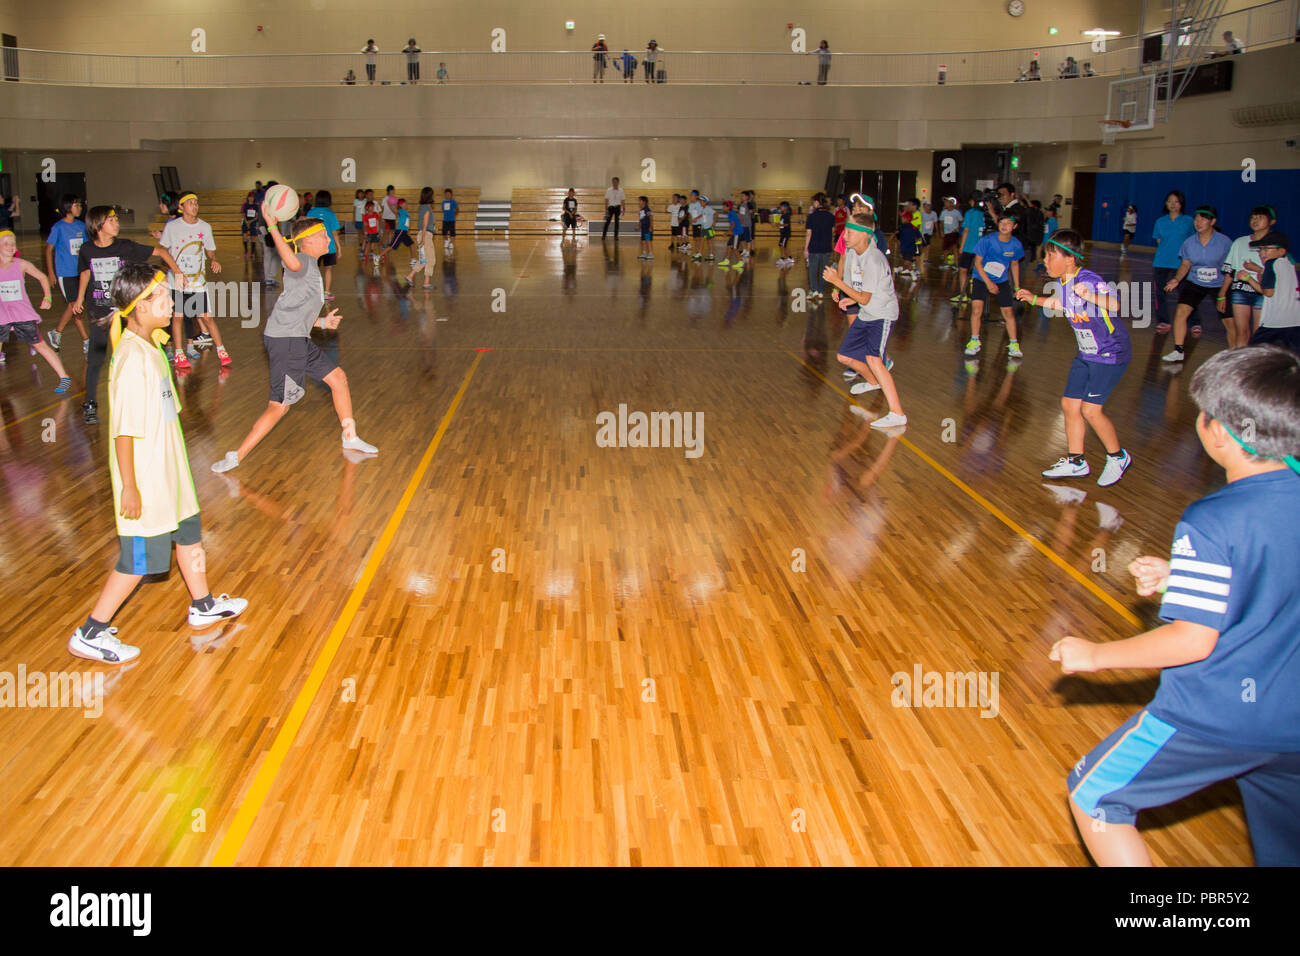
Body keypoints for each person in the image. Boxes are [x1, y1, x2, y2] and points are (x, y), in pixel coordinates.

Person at [1055, 345, 1300, 867]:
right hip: (1293, 721)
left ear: (1221, 432)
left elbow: (1192, 640)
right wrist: (1184, 577)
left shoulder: (1212, 519)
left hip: (1221, 713)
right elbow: (1276, 569)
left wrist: (1094, 656)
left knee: (1095, 794)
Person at [67, 263, 249, 664]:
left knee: (189, 535)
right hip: (147, 480)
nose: (172, 302)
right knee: (139, 561)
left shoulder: (152, 346)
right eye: (164, 297)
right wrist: (130, 487)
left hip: (172, 471)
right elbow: (124, 434)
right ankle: (90, 632)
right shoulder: (132, 359)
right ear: (141, 305)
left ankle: (202, 605)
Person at [211, 215, 378, 474]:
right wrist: (272, 226)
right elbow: (289, 258)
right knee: (279, 406)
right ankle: (236, 456)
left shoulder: (310, 265)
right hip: (286, 342)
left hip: (295, 338)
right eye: (323, 234)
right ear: (307, 240)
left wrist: (322, 323)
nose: (328, 237)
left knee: (338, 379)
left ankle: (350, 437)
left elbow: (296, 309)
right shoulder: (301, 260)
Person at [1017, 229, 1132, 485]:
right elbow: (1062, 304)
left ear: (1069, 258)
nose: (1044, 262)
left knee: (1091, 410)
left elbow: (1115, 305)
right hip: (1086, 353)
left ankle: (1118, 457)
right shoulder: (1063, 282)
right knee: (1070, 405)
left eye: (1049, 257)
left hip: (1110, 352)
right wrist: (1034, 298)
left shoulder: (1088, 280)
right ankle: (1076, 461)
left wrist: (1090, 295)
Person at [73, 206, 180, 424]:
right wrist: (79, 298)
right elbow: (85, 273)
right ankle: (90, 403)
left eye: (115, 219)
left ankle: (150, 399)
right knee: (95, 359)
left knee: (135, 356)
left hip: (126, 313)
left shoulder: (125, 247)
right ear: (97, 225)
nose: (116, 223)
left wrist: (177, 271)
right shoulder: (86, 250)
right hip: (100, 313)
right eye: (111, 220)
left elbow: (160, 252)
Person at [823, 212, 907, 430]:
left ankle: (897, 413)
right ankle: (873, 382)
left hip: (882, 314)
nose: (845, 235)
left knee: (874, 359)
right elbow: (858, 290)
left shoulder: (874, 259)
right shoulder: (851, 253)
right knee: (844, 356)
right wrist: (843, 295)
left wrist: (838, 284)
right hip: (867, 312)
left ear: (865, 235)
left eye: (849, 232)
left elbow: (865, 298)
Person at [160, 192, 228, 370]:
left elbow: (210, 249)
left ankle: (222, 351)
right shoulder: (173, 227)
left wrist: (213, 259)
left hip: (198, 281)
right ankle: (179, 353)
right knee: (178, 317)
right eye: (190, 203)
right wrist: (175, 271)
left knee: (207, 317)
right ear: (181, 207)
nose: (195, 206)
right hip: (179, 280)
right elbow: (163, 251)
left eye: (196, 203)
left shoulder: (204, 227)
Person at [0, 229, 72, 389]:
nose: (10, 246)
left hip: (22, 315)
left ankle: (64, 377)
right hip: (2, 316)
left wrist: (47, 296)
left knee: (41, 346)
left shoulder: (22, 265)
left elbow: (42, 277)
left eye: (13, 243)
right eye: (6, 243)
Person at [1162, 206, 1232, 364]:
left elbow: (1231, 267)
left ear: (1213, 221)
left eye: (1204, 219)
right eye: (1196, 219)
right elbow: (1185, 265)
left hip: (1219, 284)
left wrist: (1223, 294)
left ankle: (1234, 354)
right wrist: (1176, 279)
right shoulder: (1189, 242)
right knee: (1181, 312)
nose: (1198, 222)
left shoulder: (1224, 242)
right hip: (1195, 282)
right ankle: (1178, 350)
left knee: (1229, 320)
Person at [965, 211, 1025, 359]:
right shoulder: (987, 240)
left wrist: (1017, 287)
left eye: (1008, 223)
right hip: (981, 278)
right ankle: (974, 341)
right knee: (977, 310)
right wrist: (988, 283)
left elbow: (1015, 264)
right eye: (1001, 223)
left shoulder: (1016, 245)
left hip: (1001, 281)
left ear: (1015, 226)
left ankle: (1013, 344)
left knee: (1008, 313)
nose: (1004, 226)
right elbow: (978, 263)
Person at [1219, 205, 1276, 349]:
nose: (1255, 220)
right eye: (1253, 217)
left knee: (1259, 333)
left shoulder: (1276, 244)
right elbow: (1230, 271)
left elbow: (1281, 270)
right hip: (1241, 290)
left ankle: (1256, 364)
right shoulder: (1240, 242)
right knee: (1242, 332)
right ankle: (1240, 363)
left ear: (1272, 221)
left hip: (1262, 292)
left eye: (1260, 217)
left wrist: (1257, 270)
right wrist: (1222, 294)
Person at [1240, 231, 1300, 353]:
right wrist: (1259, 271)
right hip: (1295, 321)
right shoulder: (1290, 265)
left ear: (1281, 251)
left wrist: (1248, 278)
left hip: (1274, 322)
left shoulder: (1271, 264)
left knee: (1253, 353)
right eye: (1260, 249)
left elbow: (1268, 292)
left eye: (1267, 249)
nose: (1262, 253)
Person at [44, 194, 88, 355]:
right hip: (65, 272)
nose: (80, 207)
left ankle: (57, 333)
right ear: (68, 208)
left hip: (80, 272)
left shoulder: (81, 226)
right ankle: (86, 340)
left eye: (80, 205)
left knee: (75, 305)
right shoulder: (58, 228)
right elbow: (48, 250)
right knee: (75, 306)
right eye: (76, 205)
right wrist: (51, 273)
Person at [1152, 190, 1194, 332]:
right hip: (1161, 262)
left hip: (1181, 263)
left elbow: (1193, 242)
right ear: (1166, 203)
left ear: (1181, 204)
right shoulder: (1160, 221)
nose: (1173, 204)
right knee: (1160, 293)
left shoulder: (1189, 221)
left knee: (1186, 293)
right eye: (1170, 201)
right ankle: (1163, 321)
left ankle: (1194, 322)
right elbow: (1159, 241)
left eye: (1176, 201)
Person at [306, 189, 343, 301]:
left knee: (313, 270)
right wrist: (339, 248)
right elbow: (334, 232)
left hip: (313, 247)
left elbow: (306, 230)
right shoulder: (330, 214)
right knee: (328, 270)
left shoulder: (310, 213)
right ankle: (326, 292)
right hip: (329, 247)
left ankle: (313, 292)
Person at [950, 192, 986, 303]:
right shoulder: (985, 213)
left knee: (963, 270)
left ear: (972, 201)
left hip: (970, 247)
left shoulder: (970, 213)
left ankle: (963, 294)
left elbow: (966, 230)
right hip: (982, 248)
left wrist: (962, 246)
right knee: (979, 271)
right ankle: (977, 296)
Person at [804, 193, 835, 299]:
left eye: (814, 202)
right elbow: (833, 231)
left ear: (817, 202)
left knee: (813, 270)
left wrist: (806, 248)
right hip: (826, 247)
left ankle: (814, 290)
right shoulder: (831, 216)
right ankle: (821, 291)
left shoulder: (811, 217)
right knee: (823, 270)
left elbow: (809, 233)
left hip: (814, 247)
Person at [407, 186, 437, 286]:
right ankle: (426, 282)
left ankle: (410, 276)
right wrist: (424, 239)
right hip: (426, 235)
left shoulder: (422, 207)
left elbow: (426, 223)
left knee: (423, 260)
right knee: (431, 259)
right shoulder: (427, 208)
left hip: (424, 234)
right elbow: (424, 225)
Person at [938, 196, 962, 269]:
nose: (945, 204)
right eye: (945, 202)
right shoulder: (943, 212)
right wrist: (941, 231)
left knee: (954, 247)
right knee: (945, 248)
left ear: (951, 203)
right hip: (946, 233)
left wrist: (957, 228)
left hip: (953, 233)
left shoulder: (956, 213)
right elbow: (941, 222)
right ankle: (946, 262)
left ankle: (956, 262)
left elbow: (961, 221)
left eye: (947, 202)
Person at [239, 190, 260, 259]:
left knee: (253, 237)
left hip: (253, 222)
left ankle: (252, 252)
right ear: (248, 198)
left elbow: (257, 216)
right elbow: (243, 214)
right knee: (244, 237)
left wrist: (251, 221)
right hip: (246, 222)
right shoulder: (245, 205)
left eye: (252, 197)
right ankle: (246, 251)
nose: (251, 198)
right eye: (249, 197)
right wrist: (246, 221)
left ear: (254, 198)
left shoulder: (256, 205)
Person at [440, 188, 459, 254]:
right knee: (444, 232)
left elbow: (457, 209)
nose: (447, 195)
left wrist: (454, 214)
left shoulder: (453, 201)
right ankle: (446, 240)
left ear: (451, 195)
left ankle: (451, 243)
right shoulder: (443, 202)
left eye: (449, 194)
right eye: (446, 194)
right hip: (445, 220)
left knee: (452, 232)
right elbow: (443, 210)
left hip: (451, 220)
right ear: (445, 195)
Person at [776, 200, 794, 267]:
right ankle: (790, 258)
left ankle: (782, 258)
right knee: (783, 246)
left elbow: (786, 224)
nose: (780, 208)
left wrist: (778, 224)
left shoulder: (786, 215)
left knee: (782, 246)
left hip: (785, 234)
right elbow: (782, 224)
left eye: (781, 207)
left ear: (785, 207)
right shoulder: (783, 215)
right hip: (783, 233)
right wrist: (778, 225)